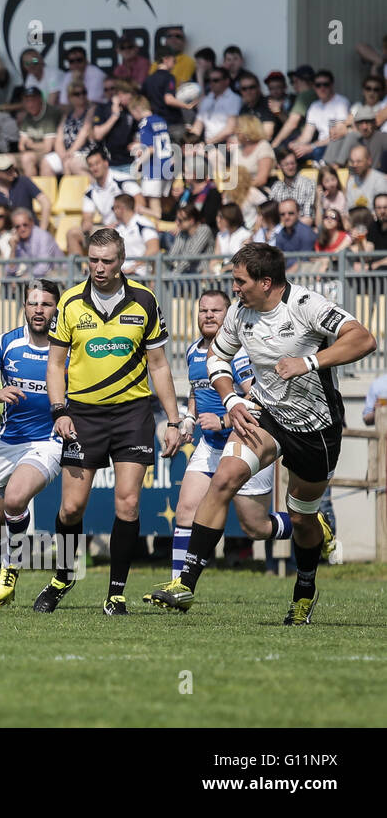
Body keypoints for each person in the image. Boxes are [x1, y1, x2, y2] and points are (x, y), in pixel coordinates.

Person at [149, 243, 375, 623]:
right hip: (266, 415)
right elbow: (217, 357)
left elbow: (363, 338)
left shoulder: (306, 304)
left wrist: (309, 361)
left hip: (314, 428)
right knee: (223, 478)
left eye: (240, 281)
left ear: (266, 282)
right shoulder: (240, 312)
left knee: (301, 518)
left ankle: (304, 590)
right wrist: (232, 401)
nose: (234, 289)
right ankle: (184, 584)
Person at [40, 228, 183, 616]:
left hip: (132, 414)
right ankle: (63, 576)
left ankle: (115, 593)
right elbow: (55, 364)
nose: (99, 268)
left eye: (107, 261)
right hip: (83, 415)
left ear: (122, 262)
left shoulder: (145, 301)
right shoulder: (70, 303)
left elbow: (159, 365)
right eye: (93, 260)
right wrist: (59, 410)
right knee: (71, 509)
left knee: (129, 504)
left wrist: (173, 419)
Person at [143, 290, 283, 601]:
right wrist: (188, 422)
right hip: (209, 446)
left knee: (255, 527)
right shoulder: (194, 351)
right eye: (203, 310)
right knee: (185, 510)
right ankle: (178, 586)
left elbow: (259, 399)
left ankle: (307, 524)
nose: (208, 315)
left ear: (228, 315)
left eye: (216, 311)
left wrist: (223, 422)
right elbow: (196, 395)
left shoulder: (240, 353)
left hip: (246, 442)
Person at [0, 280, 64, 607]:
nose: (39, 310)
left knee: (16, 500)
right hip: (7, 442)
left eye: (46, 304)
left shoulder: (67, 349)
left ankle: (11, 570)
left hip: (47, 441)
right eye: (33, 303)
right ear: (24, 306)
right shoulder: (7, 343)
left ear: (56, 309)